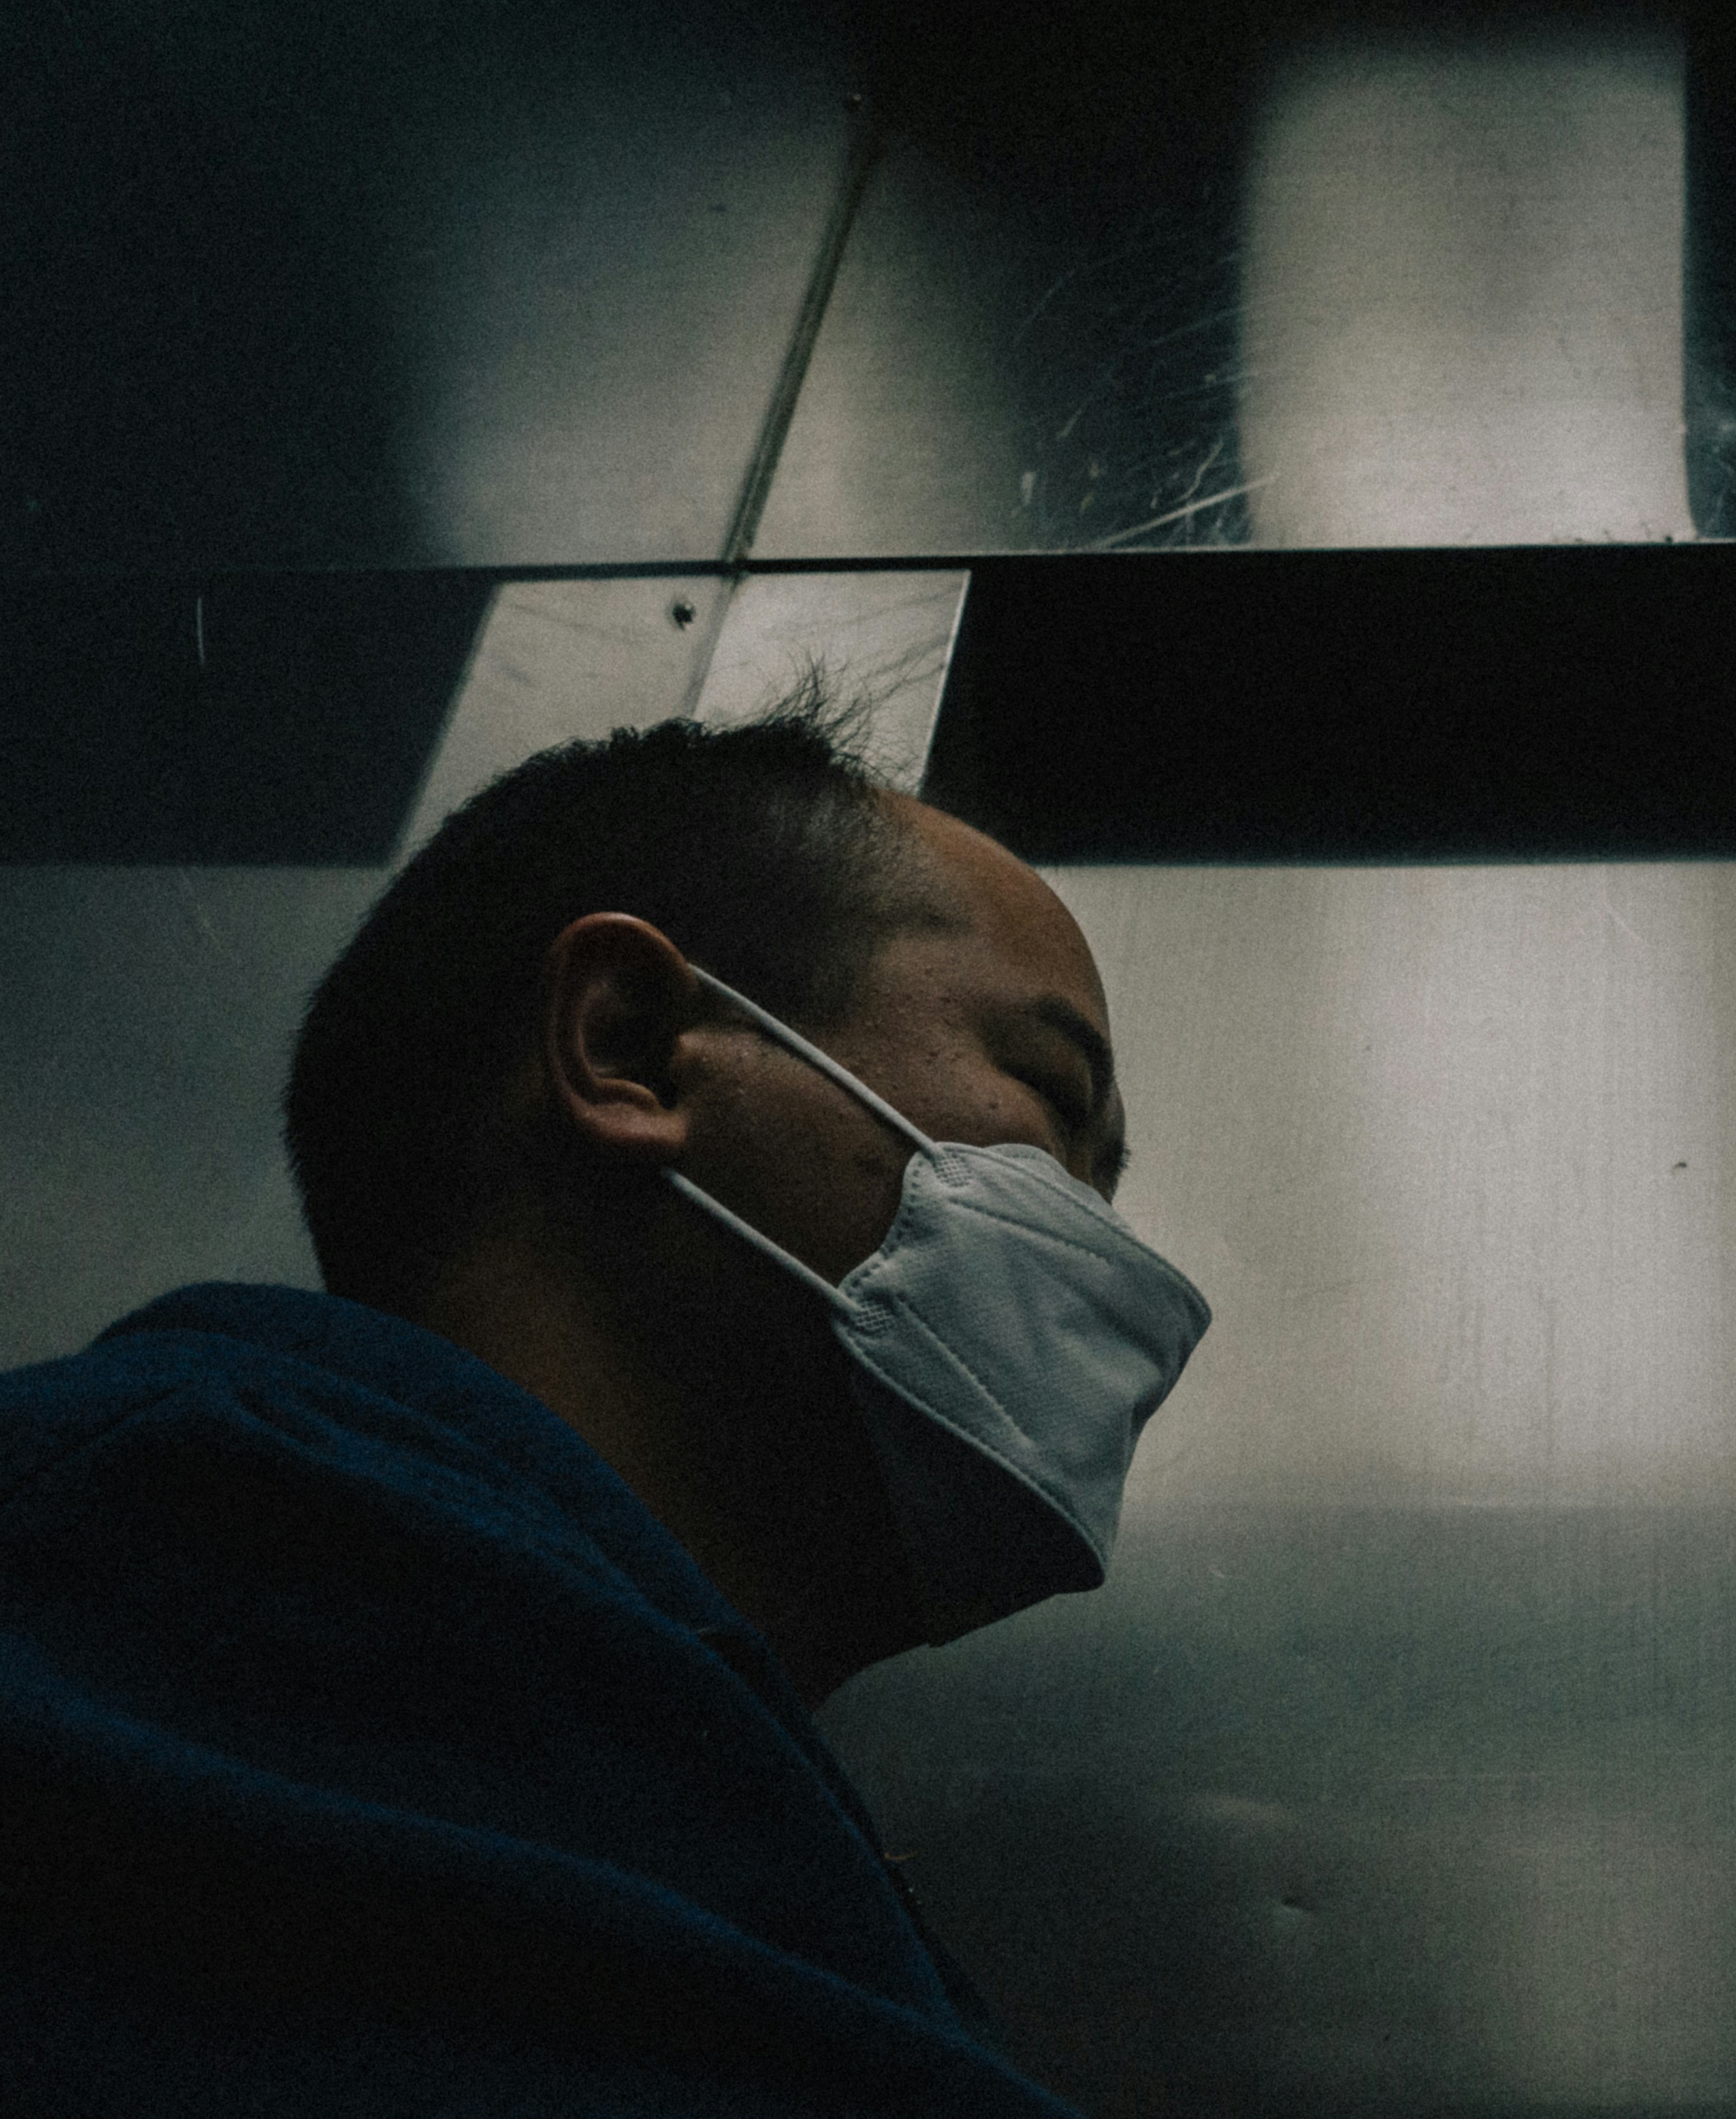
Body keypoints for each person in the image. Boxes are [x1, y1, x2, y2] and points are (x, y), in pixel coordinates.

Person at [0, 702, 1210, 2116]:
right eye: (1053, 1103)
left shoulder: (657, 1776)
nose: (1112, 1260)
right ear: (633, 1045)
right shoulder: (150, 1570)